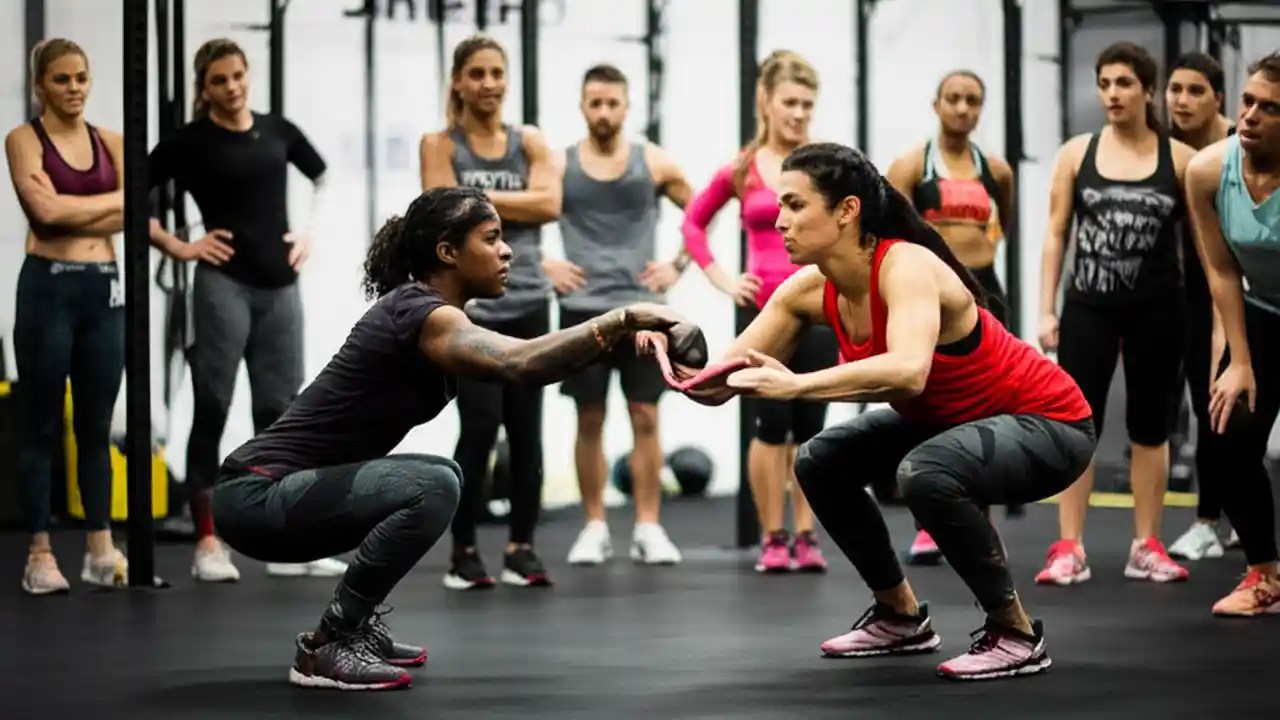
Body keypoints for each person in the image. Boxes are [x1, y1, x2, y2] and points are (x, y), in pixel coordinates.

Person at [212, 186, 704, 690]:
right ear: (447, 252)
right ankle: (329, 643)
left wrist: (623, 338)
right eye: (491, 239)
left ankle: (355, 624)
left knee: (443, 475)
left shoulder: (432, 314)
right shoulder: (421, 313)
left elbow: (530, 357)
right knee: (432, 483)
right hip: (255, 497)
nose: (507, 250)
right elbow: (522, 362)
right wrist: (627, 316)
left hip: (283, 496)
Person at [676, 142, 1095, 680]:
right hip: (951, 423)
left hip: (1051, 426)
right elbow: (722, 382)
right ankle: (900, 616)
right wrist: (668, 354)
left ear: (847, 210)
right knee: (818, 460)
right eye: (779, 207)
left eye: (795, 206)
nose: (779, 221)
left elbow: (906, 372)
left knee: (924, 471)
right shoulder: (806, 290)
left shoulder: (905, 267)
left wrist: (798, 385)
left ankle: (1015, 632)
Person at [146, 38, 344, 582]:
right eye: (219, 81)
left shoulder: (276, 129)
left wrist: (308, 234)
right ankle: (208, 542)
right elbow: (130, 194)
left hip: (280, 288)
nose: (232, 88)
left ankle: (287, 542)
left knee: (281, 414)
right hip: (222, 285)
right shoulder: (190, 141)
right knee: (211, 403)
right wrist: (180, 246)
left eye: (238, 76)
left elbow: (323, 176)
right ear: (203, 88)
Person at [1035, 42, 1196, 586]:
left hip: (1158, 308)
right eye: (1104, 83)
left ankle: (1145, 545)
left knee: (1151, 427)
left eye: (1124, 83)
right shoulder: (1076, 153)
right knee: (1076, 424)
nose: (1112, 94)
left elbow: (1200, 252)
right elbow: (1056, 233)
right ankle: (1068, 547)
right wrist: (1045, 309)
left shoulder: (1180, 160)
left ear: (1148, 90)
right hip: (1088, 308)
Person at [681, 49, 832, 573]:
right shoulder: (744, 168)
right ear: (766, 102)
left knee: (812, 427)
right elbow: (693, 224)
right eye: (790, 102)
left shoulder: (821, 166)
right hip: (762, 312)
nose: (798, 113)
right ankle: (773, 536)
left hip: (816, 306)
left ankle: (807, 536)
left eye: (808, 104)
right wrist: (723, 279)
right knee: (770, 427)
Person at [419, 34, 560, 589]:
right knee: (478, 427)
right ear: (458, 80)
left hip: (527, 302)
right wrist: (510, 200)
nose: (488, 84)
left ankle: (522, 547)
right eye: (476, 73)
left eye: (496, 73)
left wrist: (471, 196)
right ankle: (464, 549)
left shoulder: (529, 142)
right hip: (469, 313)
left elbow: (551, 204)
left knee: (528, 431)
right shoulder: (440, 142)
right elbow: (437, 210)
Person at [551, 64, 692, 566]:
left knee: (645, 415)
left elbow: (698, 211)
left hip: (641, 311)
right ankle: (594, 526)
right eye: (596, 103)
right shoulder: (559, 164)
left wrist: (676, 265)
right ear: (583, 106)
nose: (604, 112)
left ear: (627, 107)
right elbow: (505, 219)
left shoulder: (650, 161)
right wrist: (544, 263)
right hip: (583, 312)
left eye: (613, 103)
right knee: (589, 417)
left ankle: (649, 527)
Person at [5, 38, 127, 594]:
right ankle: (39, 553)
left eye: (81, 77)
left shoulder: (112, 141)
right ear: (40, 85)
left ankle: (100, 550)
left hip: (103, 292)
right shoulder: (23, 140)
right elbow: (45, 214)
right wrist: (112, 205)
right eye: (61, 79)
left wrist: (73, 207)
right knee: (42, 425)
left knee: (96, 426)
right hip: (47, 291)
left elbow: (138, 206)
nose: (74, 88)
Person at [886, 69, 1019, 563]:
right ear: (936, 104)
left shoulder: (997, 171)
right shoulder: (910, 166)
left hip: (985, 292)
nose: (963, 108)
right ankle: (927, 522)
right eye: (954, 99)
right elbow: (889, 229)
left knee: (987, 405)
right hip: (931, 297)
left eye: (973, 101)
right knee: (933, 404)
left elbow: (1003, 223)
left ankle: (978, 517)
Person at [1184, 51, 1280, 617]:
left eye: (1271, 109)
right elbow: (1221, 269)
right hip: (1263, 309)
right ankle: (1265, 575)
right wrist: (1239, 361)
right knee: (1228, 427)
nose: (1250, 116)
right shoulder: (1206, 171)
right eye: (1248, 102)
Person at [1162, 52, 1238, 561]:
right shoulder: (1165, 153)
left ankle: (1228, 516)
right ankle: (1211, 519)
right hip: (1192, 292)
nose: (1182, 101)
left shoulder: (1239, 145)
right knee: (1206, 397)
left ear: (1218, 97)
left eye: (1195, 91)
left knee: (1239, 405)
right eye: (1175, 90)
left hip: (1248, 285)